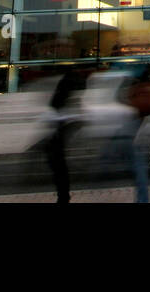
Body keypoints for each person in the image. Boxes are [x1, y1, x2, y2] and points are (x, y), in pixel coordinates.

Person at [107, 65, 150, 203]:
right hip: (134, 137)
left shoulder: (137, 90)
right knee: (140, 173)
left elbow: (120, 98)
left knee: (137, 171)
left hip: (130, 134)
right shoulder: (147, 90)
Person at [45, 68, 88, 204]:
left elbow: (55, 108)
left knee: (58, 166)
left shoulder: (64, 90)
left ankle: (63, 196)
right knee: (59, 166)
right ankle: (63, 196)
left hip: (58, 132)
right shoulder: (70, 91)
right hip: (59, 131)